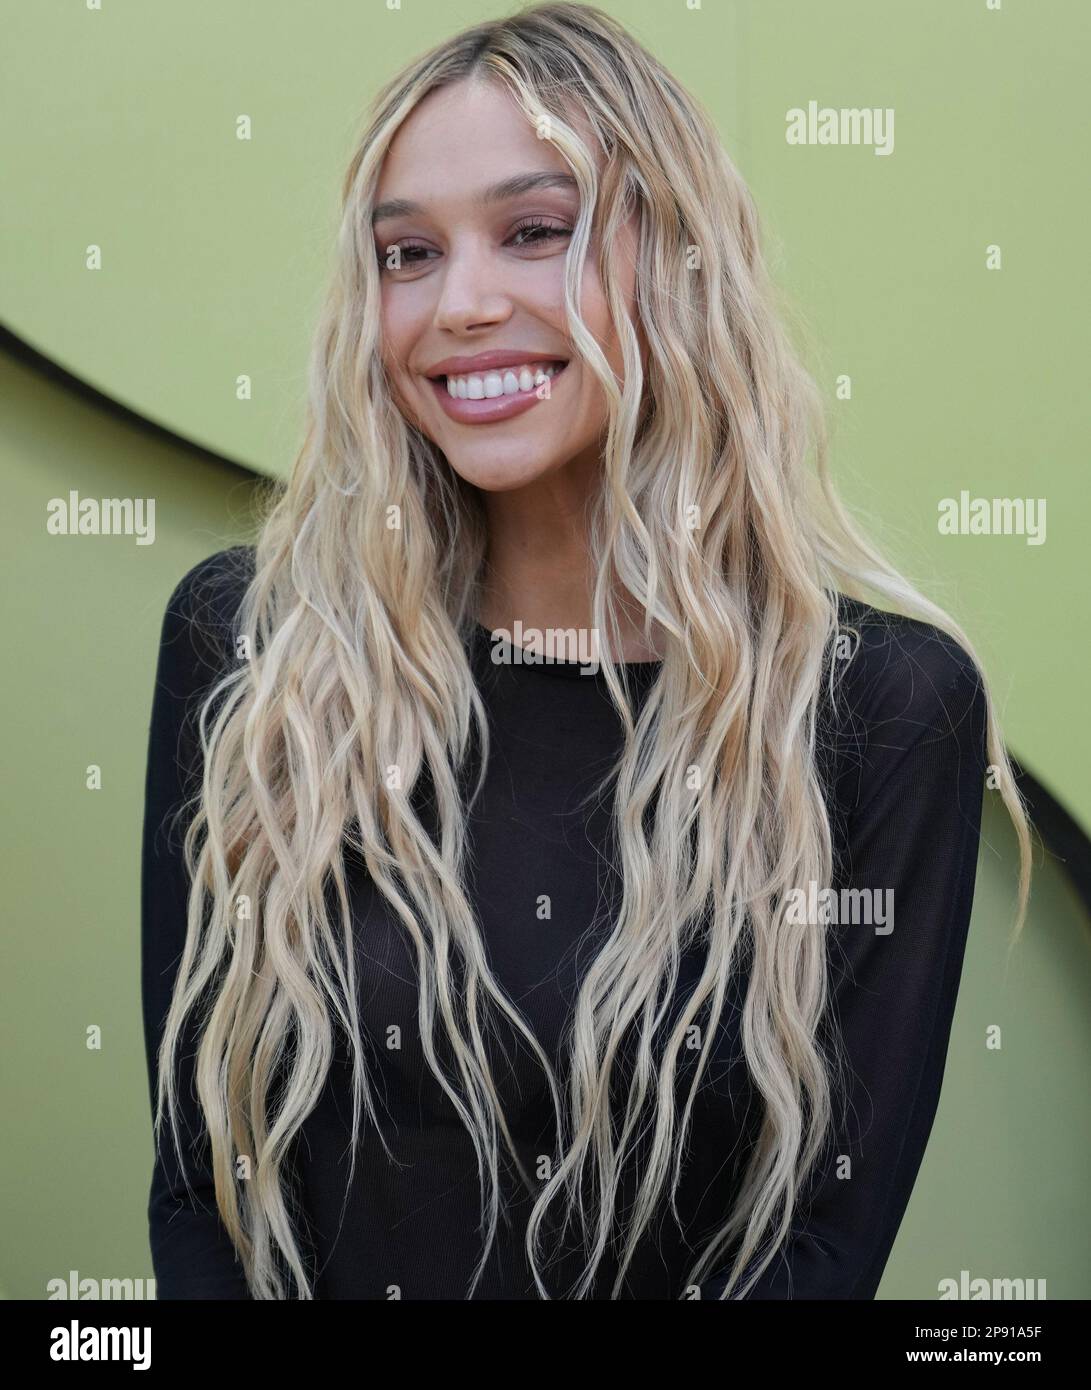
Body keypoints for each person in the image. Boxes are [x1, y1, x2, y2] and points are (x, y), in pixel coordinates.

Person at [141, 1, 1031, 1300]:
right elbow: (196, 1183)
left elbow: (825, 1249)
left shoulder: (883, 709)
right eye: (407, 254)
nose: (461, 303)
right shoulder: (252, 647)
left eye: (535, 232)